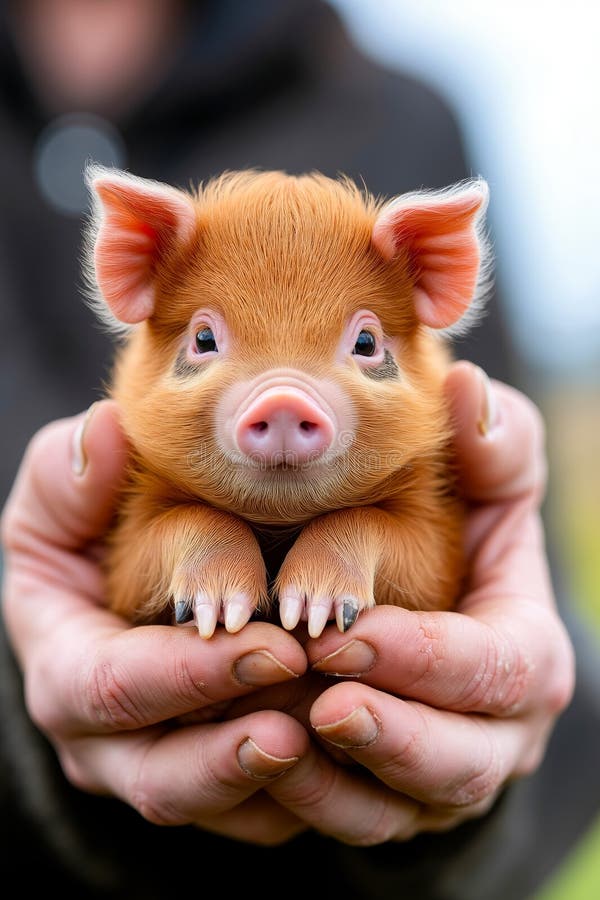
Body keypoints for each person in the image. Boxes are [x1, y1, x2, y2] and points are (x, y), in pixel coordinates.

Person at [0, 2, 597, 897]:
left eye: (365, 346)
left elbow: (525, 624)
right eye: (207, 342)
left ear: (433, 268)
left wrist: (465, 802)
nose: (283, 404)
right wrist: (45, 726)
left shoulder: (402, 118)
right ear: (138, 255)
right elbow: (133, 563)